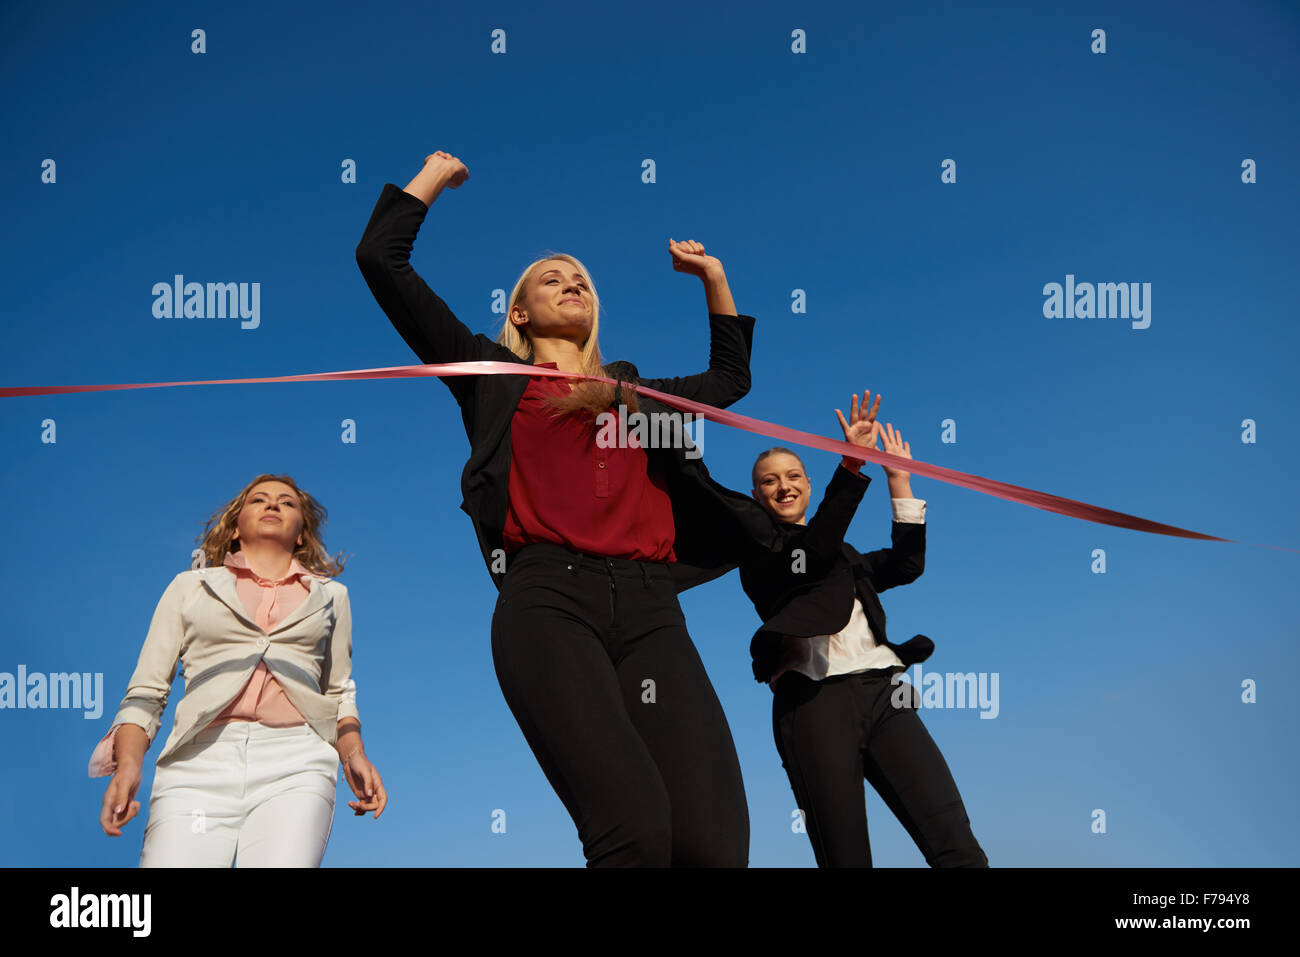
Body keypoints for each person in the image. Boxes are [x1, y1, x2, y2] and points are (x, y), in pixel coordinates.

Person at [355, 149, 774, 866]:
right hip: (549, 604)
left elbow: (731, 379)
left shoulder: (632, 394)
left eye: (581, 278)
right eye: (552, 278)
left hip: (652, 614)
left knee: (713, 844)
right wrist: (433, 176)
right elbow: (381, 262)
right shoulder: (493, 377)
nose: (571, 281)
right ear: (520, 310)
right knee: (636, 830)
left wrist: (714, 276)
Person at [739, 393, 988, 867]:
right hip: (814, 705)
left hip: (884, 696)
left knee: (954, 839)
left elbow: (906, 564)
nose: (784, 487)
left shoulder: (846, 558)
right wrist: (851, 467)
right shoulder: (761, 553)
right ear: (756, 496)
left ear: (809, 486)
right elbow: (812, 554)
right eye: (769, 482)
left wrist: (898, 479)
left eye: (793, 477)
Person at [91, 474, 387, 867]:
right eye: (259, 500)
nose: (273, 505)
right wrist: (128, 766)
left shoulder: (332, 597)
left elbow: (338, 692)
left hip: (295, 763)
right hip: (196, 764)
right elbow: (146, 693)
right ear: (235, 527)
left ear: (302, 533)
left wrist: (354, 756)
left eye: (287, 502)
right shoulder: (189, 587)